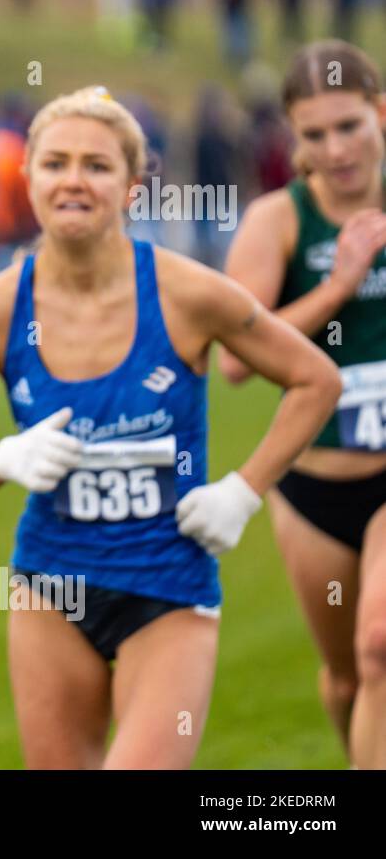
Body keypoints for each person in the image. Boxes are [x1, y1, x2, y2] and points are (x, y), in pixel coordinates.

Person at [0, 86, 340, 768]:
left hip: (168, 584)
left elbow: (315, 380)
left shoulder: (187, 292)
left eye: (97, 165)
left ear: (132, 188)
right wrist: (6, 458)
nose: (74, 181)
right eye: (56, 164)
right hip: (50, 588)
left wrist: (243, 490)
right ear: (27, 180)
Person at [220, 40, 386, 769]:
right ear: (294, 140)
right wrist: (338, 285)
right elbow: (233, 358)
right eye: (314, 135)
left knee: (380, 643)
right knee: (348, 677)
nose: (336, 148)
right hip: (315, 484)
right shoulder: (277, 220)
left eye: (350, 125)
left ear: (381, 114)